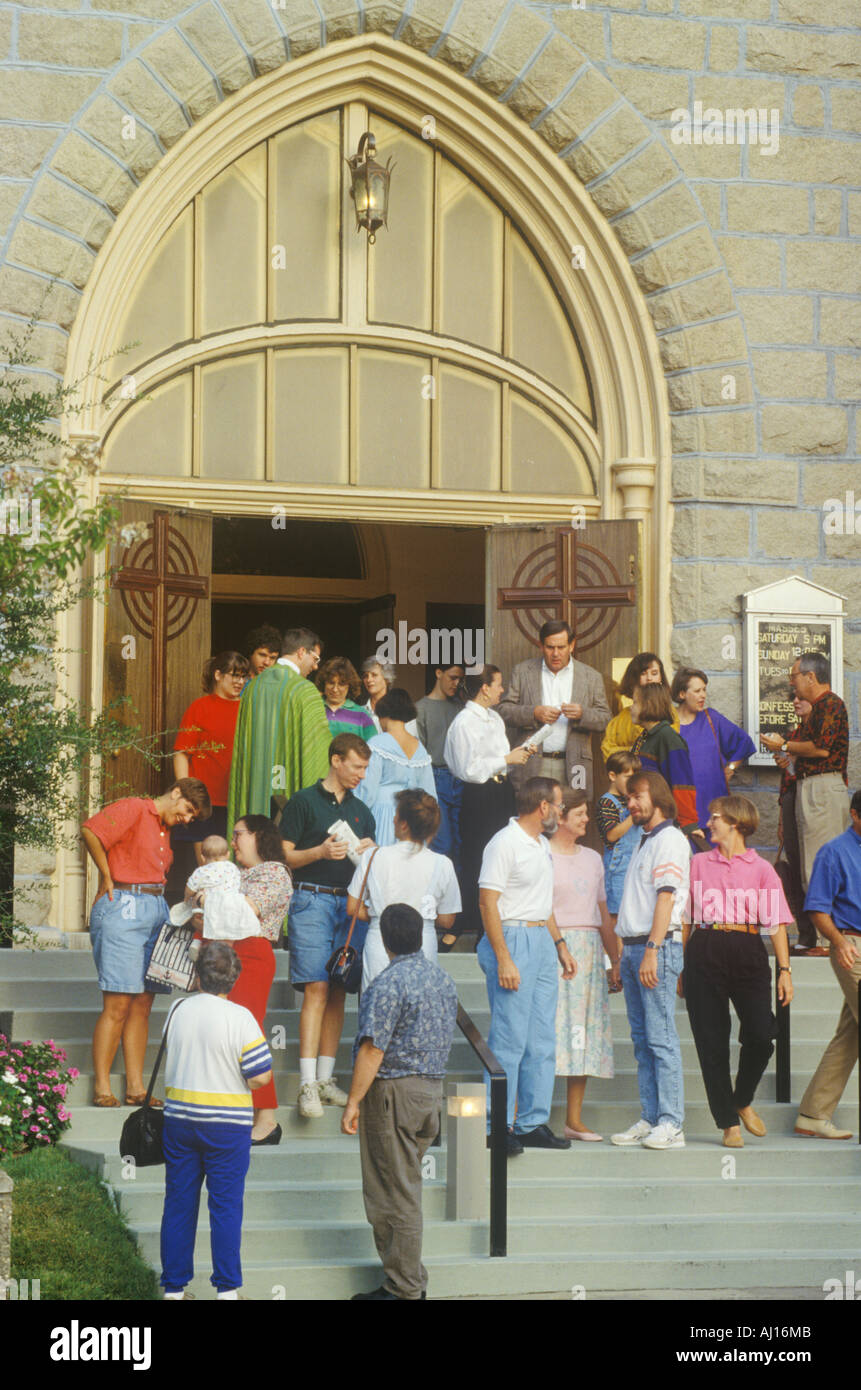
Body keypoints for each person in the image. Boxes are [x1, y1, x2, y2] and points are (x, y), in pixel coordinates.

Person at [342, 904, 458, 1301]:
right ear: (421, 936)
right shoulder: (442, 980)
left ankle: (405, 1287)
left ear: (386, 939)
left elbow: (373, 1050)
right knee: (403, 1188)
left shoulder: (389, 984)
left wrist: (353, 1100)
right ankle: (408, 1279)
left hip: (394, 1092)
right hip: (430, 1092)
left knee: (393, 1192)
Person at [81, 778, 211, 1108]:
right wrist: (106, 875)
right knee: (119, 1002)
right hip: (124, 903)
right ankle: (102, 1086)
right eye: (187, 810)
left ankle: (136, 1087)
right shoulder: (134, 807)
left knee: (143, 1003)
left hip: (155, 907)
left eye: (192, 818)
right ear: (176, 792)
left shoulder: (166, 831)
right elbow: (91, 831)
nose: (186, 819)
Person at [160, 941, 274, 1301]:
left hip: (179, 1118)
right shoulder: (241, 1018)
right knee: (225, 1206)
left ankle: (174, 1289)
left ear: (197, 975)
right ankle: (227, 1290)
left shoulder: (177, 1009)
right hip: (226, 1125)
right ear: (234, 978)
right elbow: (260, 1077)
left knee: (179, 1202)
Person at [683, 795, 793, 1148]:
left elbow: (775, 925)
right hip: (705, 948)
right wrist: (683, 964)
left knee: (761, 1034)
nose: (709, 822)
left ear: (734, 822)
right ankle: (728, 1122)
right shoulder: (698, 863)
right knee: (711, 1041)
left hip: (748, 950)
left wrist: (785, 970)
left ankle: (741, 1098)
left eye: (714, 817)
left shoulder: (762, 869)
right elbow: (685, 918)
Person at [477, 777, 576, 1155]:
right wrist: (503, 956)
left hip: (539, 938)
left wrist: (560, 943)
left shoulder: (540, 844)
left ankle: (532, 1121)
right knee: (510, 1037)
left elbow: (542, 899)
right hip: (512, 937)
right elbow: (488, 902)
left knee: (541, 1038)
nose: (561, 811)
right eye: (559, 805)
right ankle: (496, 1124)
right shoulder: (504, 843)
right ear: (543, 807)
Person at [280, 733, 376, 1118]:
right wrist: (320, 850)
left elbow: (371, 867)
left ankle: (325, 1078)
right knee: (317, 987)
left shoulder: (362, 810)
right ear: (336, 761)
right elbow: (283, 855)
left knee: (339, 987)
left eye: (365, 768)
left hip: (349, 904)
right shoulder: (303, 802)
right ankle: (306, 1083)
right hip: (311, 897)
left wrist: (369, 855)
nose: (361, 774)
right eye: (357, 766)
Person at [610, 770, 691, 1151]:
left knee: (660, 1038)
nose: (631, 804)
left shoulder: (670, 839)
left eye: (637, 796)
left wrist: (653, 950)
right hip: (633, 947)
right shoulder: (645, 839)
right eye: (628, 798)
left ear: (657, 795)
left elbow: (666, 898)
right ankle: (651, 1116)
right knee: (642, 1041)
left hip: (654, 947)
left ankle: (672, 1122)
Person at [443, 666, 532, 937]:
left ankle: (498, 918)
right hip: (478, 796)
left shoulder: (494, 718)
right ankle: (475, 921)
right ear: (485, 688)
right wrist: (506, 760)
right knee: (478, 855)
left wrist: (517, 755)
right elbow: (467, 768)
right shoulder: (464, 722)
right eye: (498, 684)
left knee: (502, 854)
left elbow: (500, 759)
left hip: (501, 793)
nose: (501, 690)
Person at [551, 789, 618, 1141]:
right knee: (549, 1028)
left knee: (582, 1030)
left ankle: (573, 1120)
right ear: (559, 817)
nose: (586, 820)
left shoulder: (593, 858)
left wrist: (615, 959)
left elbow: (603, 912)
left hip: (590, 949)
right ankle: (522, 1114)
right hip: (553, 947)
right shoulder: (541, 853)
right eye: (579, 814)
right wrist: (559, 945)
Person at [793, 791, 861, 1140]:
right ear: (854, 815)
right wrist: (839, 943)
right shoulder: (833, 852)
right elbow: (817, 908)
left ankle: (813, 1114)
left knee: (850, 1035)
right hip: (851, 944)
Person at [347, 789, 462, 989]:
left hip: (380, 940)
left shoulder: (373, 856)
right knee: (418, 1012)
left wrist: (378, 914)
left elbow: (352, 907)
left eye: (396, 815)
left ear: (404, 824)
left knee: (377, 1010)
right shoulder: (442, 864)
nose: (393, 819)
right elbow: (447, 919)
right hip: (423, 942)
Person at [226, 815, 293, 1144]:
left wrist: (206, 901)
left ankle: (266, 1118)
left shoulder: (274, 872)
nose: (233, 841)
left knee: (247, 1035)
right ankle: (239, 1110)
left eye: (239, 834)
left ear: (259, 836)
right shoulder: (235, 873)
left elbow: (244, 910)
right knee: (227, 1034)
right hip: (226, 953)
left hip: (251, 955)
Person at [760, 652, 849, 891]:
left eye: (794, 676)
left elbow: (822, 750)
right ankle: (814, 929)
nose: (791, 682)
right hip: (808, 787)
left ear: (810, 677)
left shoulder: (830, 704)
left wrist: (784, 745)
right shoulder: (816, 710)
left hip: (822, 788)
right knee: (807, 869)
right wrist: (790, 757)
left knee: (821, 870)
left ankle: (830, 930)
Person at [227, 626, 330, 833]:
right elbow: (318, 749)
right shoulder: (304, 690)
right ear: (302, 652)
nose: (315, 667)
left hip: (257, 781)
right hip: (284, 782)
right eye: (315, 659)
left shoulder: (253, 688)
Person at [498, 619, 611, 800]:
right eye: (550, 647)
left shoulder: (591, 677)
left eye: (561, 647)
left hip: (575, 764)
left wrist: (583, 714)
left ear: (572, 645)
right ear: (541, 646)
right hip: (533, 763)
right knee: (533, 819)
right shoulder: (522, 672)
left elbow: (605, 718)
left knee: (572, 817)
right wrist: (534, 713)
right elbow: (504, 711)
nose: (556, 653)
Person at [173, 651, 249, 865]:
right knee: (206, 869)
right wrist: (186, 792)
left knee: (234, 867)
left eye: (243, 676)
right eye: (234, 675)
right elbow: (181, 753)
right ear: (218, 675)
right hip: (204, 803)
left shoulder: (247, 709)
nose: (240, 681)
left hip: (237, 801)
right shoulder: (200, 707)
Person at [672, 667, 756, 839]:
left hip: (715, 812)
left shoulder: (712, 719)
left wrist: (731, 767)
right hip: (682, 814)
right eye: (697, 691)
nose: (703, 695)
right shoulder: (668, 726)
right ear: (681, 694)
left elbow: (744, 742)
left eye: (704, 690)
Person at [355, 688, 436, 847]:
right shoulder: (420, 749)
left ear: (383, 716)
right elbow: (430, 795)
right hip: (413, 820)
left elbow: (367, 791)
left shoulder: (377, 744)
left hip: (382, 816)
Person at [771, 696, 819, 950]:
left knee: (812, 868)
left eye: (803, 698)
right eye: (795, 699)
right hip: (791, 799)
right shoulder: (795, 733)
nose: (797, 701)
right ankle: (805, 934)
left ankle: (821, 934)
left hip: (812, 800)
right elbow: (787, 779)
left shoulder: (817, 734)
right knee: (796, 866)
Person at [629, 684, 700, 841]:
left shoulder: (668, 738)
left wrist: (687, 825)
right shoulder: (644, 738)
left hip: (663, 826)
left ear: (648, 704)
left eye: (635, 702)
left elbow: (682, 784)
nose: (630, 708)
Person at [414, 664, 465, 866]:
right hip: (434, 776)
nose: (456, 683)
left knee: (461, 842)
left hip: (460, 777)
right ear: (438, 673)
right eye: (453, 677)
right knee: (441, 843)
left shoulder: (460, 708)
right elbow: (419, 752)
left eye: (460, 679)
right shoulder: (421, 708)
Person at [169, 834, 262, 943]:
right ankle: (229, 946)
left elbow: (190, 888)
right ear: (228, 855)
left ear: (202, 857)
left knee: (199, 917)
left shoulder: (201, 871)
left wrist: (186, 898)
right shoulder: (233, 868)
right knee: (228, 935)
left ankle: (197, 942)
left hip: (210, 904)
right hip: (232, 907)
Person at [601, 651, 678, 761]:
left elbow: (663, 750)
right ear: (634, 679)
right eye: (643, 674)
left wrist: (629, 751)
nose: (649, 678)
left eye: (654, 673)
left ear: (661, 679)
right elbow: (607, 749)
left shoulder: (669, 713)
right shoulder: (622, 717)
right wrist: (633, 750)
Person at [596, 750, 643, 916]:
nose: (633, 783)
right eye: (628, 777)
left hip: (638, 865)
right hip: (618, 869)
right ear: (612, 776)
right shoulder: (607, 802)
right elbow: (612, 835)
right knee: (618, 914)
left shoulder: (632, 800)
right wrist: (633, 814)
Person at [316, 656, 376, 742]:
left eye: (341, 684)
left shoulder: (362, 715)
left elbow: (373, 750)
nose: (335, 689)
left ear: (350, 685)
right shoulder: (313, 708)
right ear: (324, 683)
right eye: (331, 682)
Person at [361, 656, 396, 733]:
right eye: (366, 676)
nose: (369, 680)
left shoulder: (399, 710)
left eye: (374, 675)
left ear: (387, 679)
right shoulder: (359, 712)